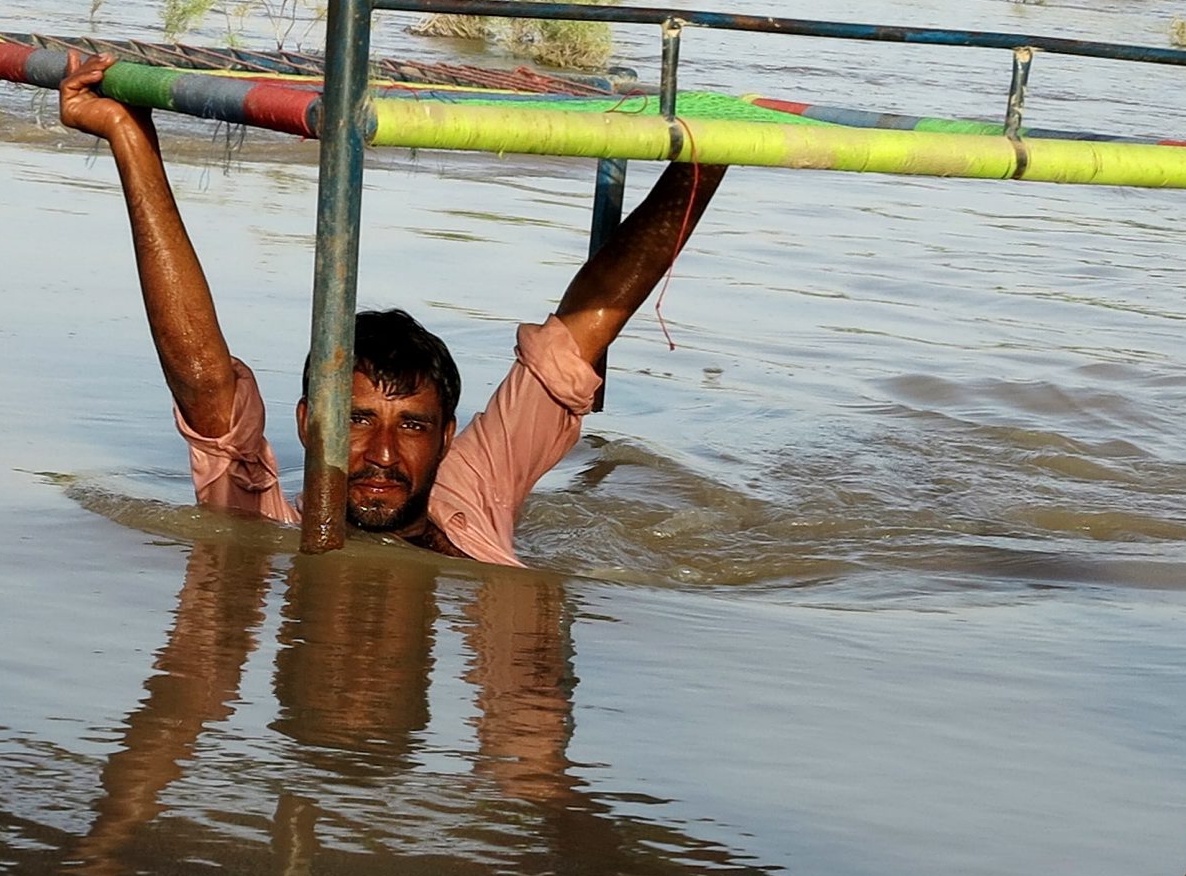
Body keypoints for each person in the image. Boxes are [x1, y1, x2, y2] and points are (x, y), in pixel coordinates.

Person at [55, 57, 722, 565]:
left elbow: (580, 332)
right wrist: (128, 137)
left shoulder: (473, 490)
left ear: (447, 436)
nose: (381, 455)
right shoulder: (259, 519)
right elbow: (203, 381)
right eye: (356, 419)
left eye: (413, 426)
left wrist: (707, 163)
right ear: (307, 425)